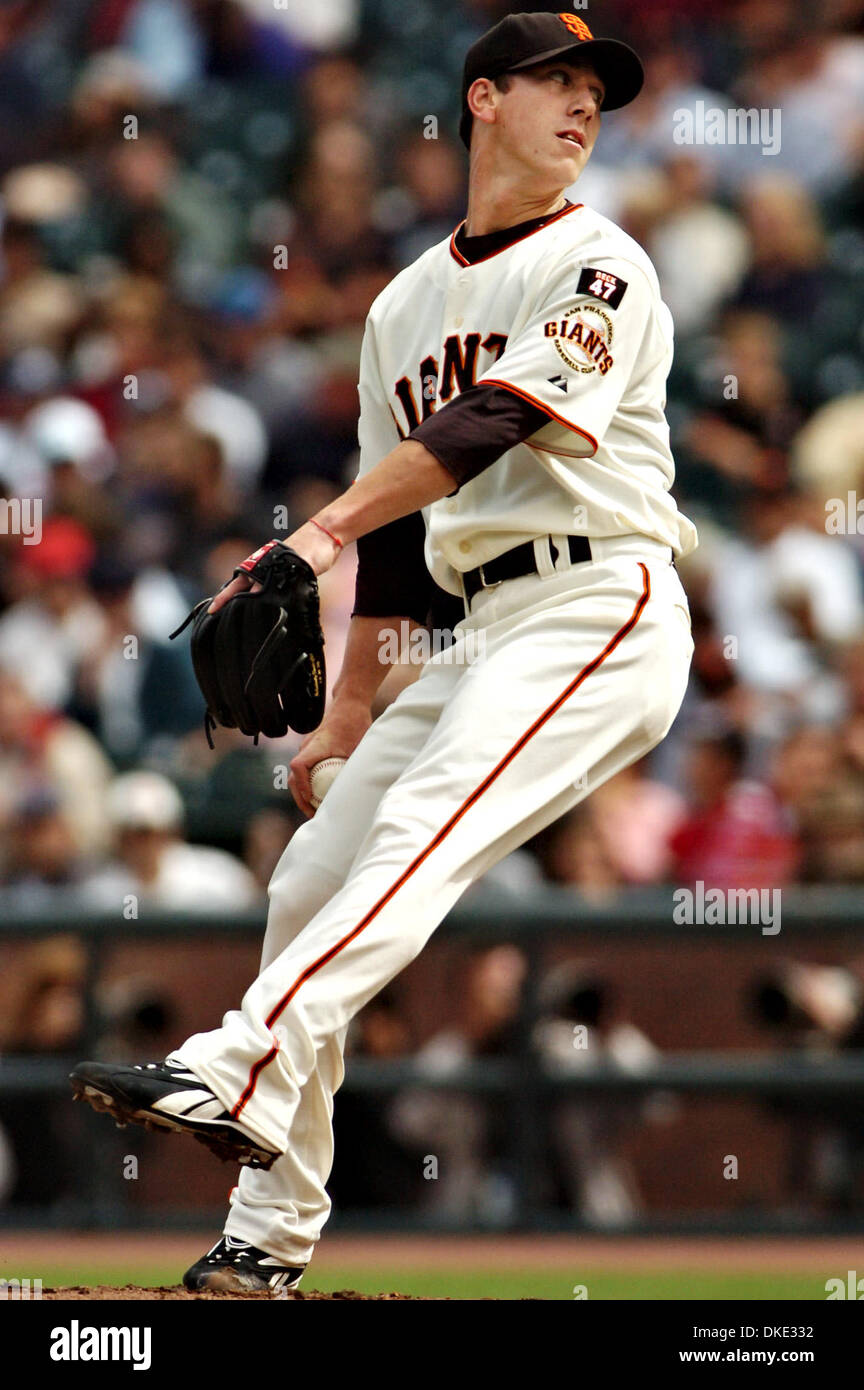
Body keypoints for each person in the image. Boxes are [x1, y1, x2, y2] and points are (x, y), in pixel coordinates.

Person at [71, 12, 697, 1294]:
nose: (585, 108)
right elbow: (409, 532)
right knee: (309, 878)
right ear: (483, 100)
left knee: (423, 828)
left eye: (598, 91)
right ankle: (267, 1234)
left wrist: (315, 533)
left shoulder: (605, 263)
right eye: (557, 83)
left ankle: (241, 1063)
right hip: (476, 627)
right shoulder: (406, 304)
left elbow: (495, 424)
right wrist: (345, 710)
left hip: (601, 603)